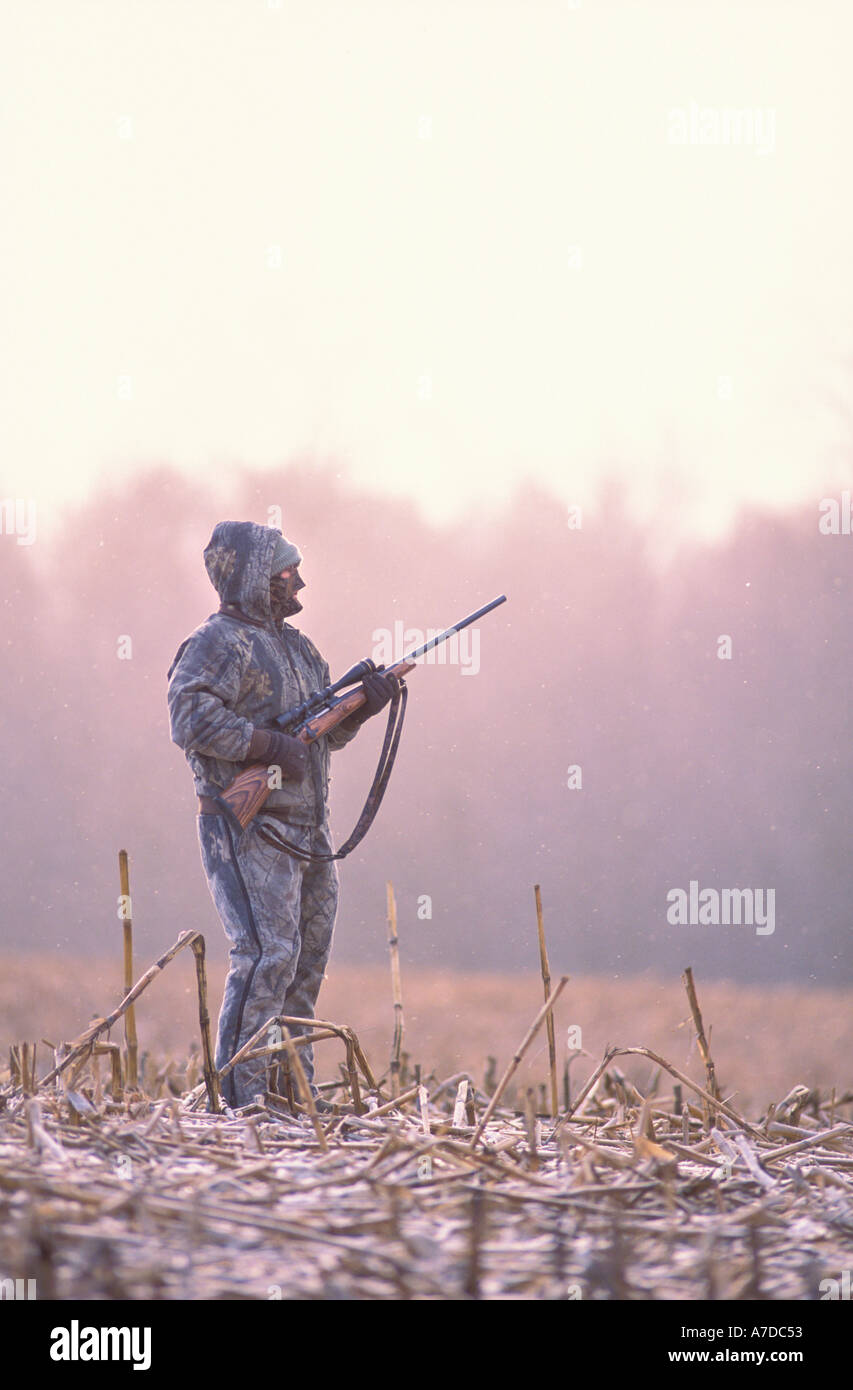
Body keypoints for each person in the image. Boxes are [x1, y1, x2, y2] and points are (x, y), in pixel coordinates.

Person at [167, 520, 398, 1109]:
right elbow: (190, 719)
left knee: (303, 966)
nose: (299, 581)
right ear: (253, 577)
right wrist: (269, 747)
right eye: (286, 570)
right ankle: (241, 1103)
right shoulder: (217, 643)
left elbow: (322, 739)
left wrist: (363, 708)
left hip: (309, 833)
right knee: (265, 958)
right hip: (250, 829)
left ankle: (290, 1098)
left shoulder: (298, 647)